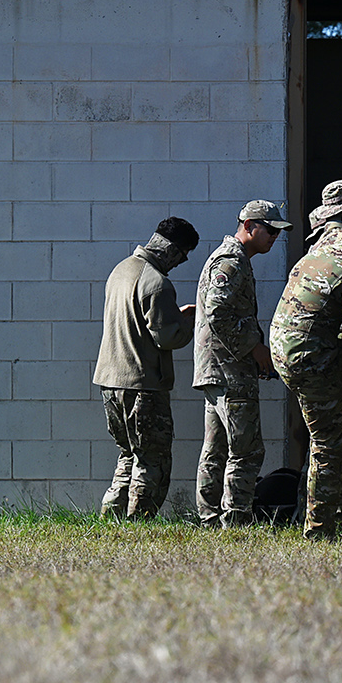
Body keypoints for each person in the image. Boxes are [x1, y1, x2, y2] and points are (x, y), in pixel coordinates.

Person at [270, 198, 342, 538]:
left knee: (325, 435)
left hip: (288, 352)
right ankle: (318, 528)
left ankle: (324, 511)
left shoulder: (322, 250)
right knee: (329, 443)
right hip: (309, 358)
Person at [93, 216, 199, 519]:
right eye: (184, 254)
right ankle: (139, 522)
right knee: (152, 459)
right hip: (142, 385)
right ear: (173, 250)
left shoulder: (121, 270)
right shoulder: (157, 282)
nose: (182, 262)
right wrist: (188, 322)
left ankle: (112, 518)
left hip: (110, 382)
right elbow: (168, 337)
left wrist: (171, 315)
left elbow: (135, 321)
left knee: (128, 455)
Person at [191, 200, 286, 527]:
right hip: (229, 371)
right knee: (246, 451)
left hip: (217, 370)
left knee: (216, 449)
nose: (275, 237)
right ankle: (235, 521)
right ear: (249, 226)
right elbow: (219, 313)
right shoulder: (231, 261)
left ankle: (209, 518)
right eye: (270, 230)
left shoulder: (232, 259)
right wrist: (256, 349)